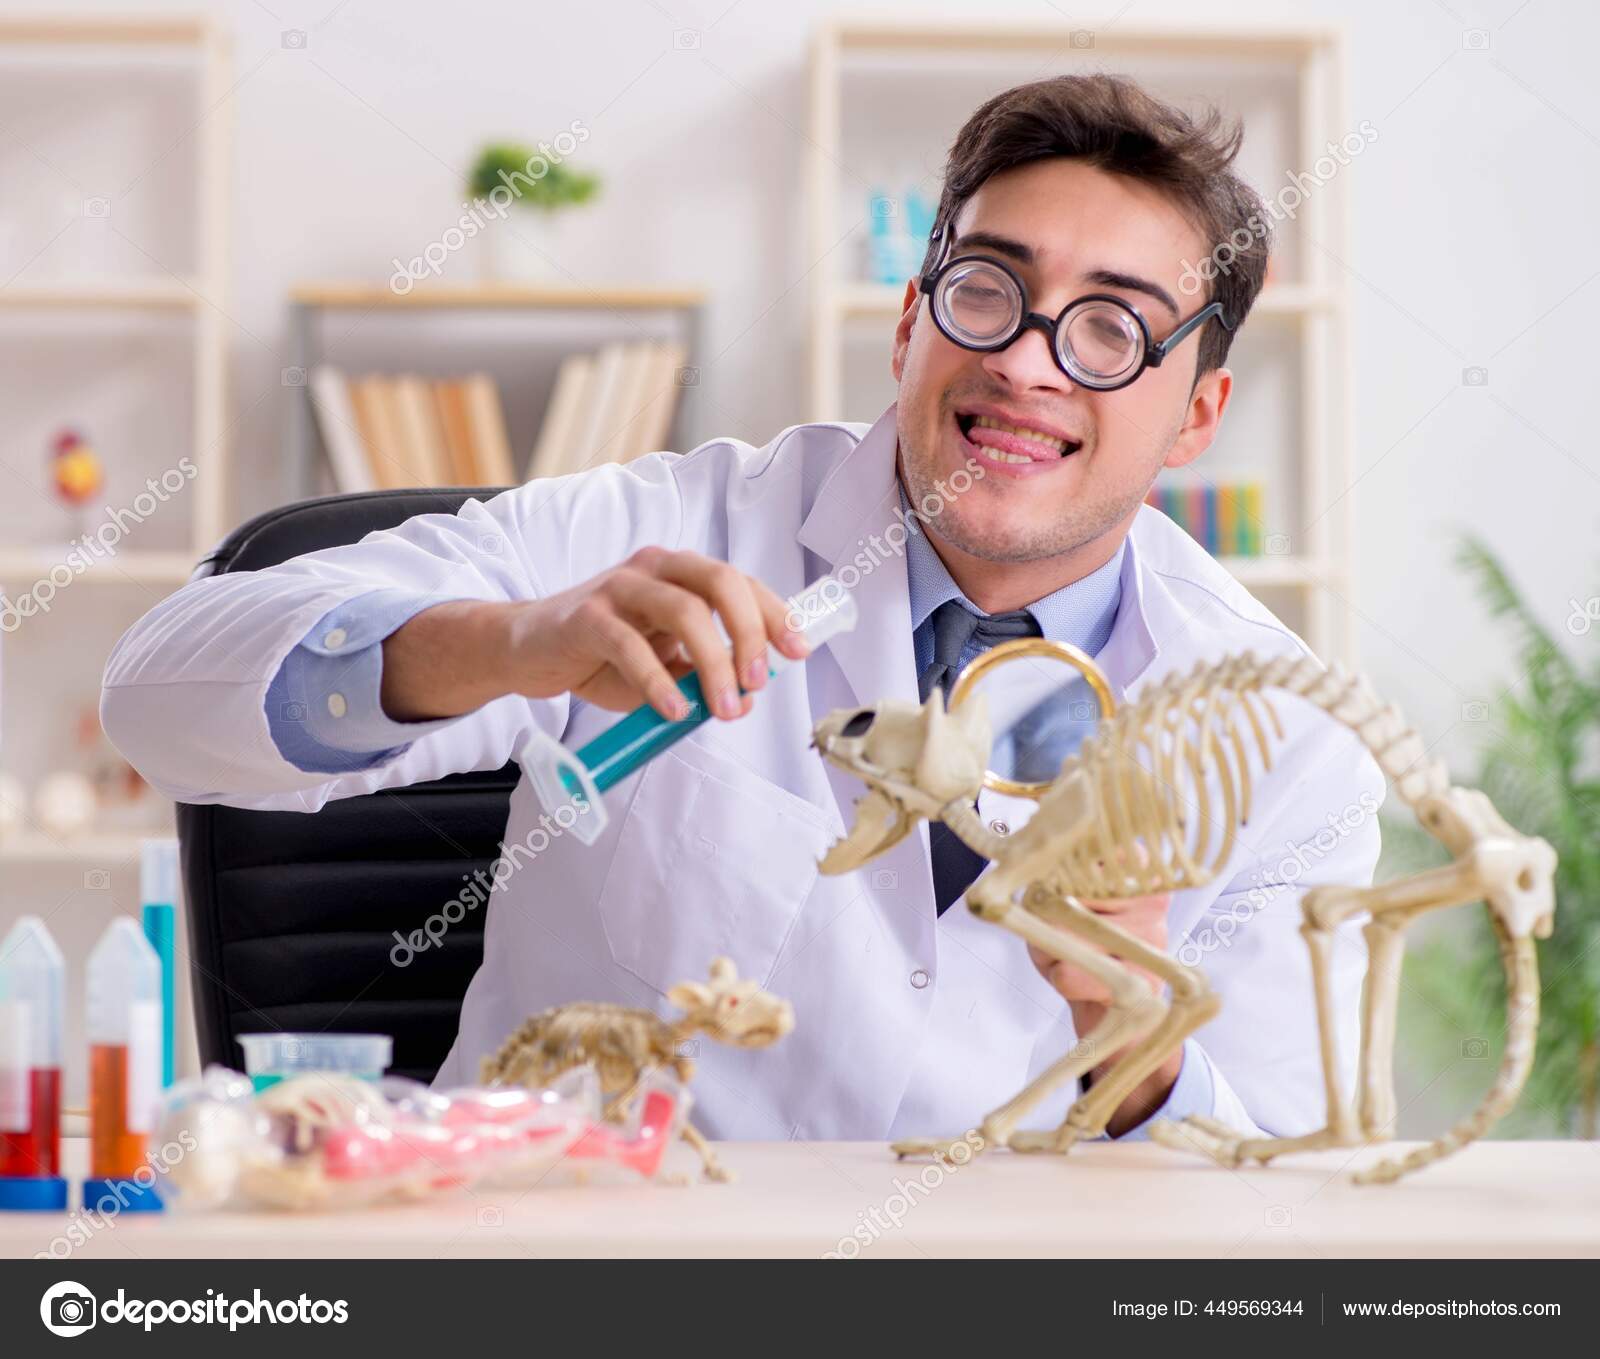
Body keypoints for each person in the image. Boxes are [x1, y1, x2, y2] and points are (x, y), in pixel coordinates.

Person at [102, 73, 1380, 1145]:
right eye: (985, 289)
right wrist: (507, 643)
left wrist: (1136, 1047)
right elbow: (156, 694)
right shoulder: (667, 530)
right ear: (907, 325)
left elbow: (1273, 1190)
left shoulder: (1282, 737)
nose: (1024, 360)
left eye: (1110, 330)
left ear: (1197, 415)